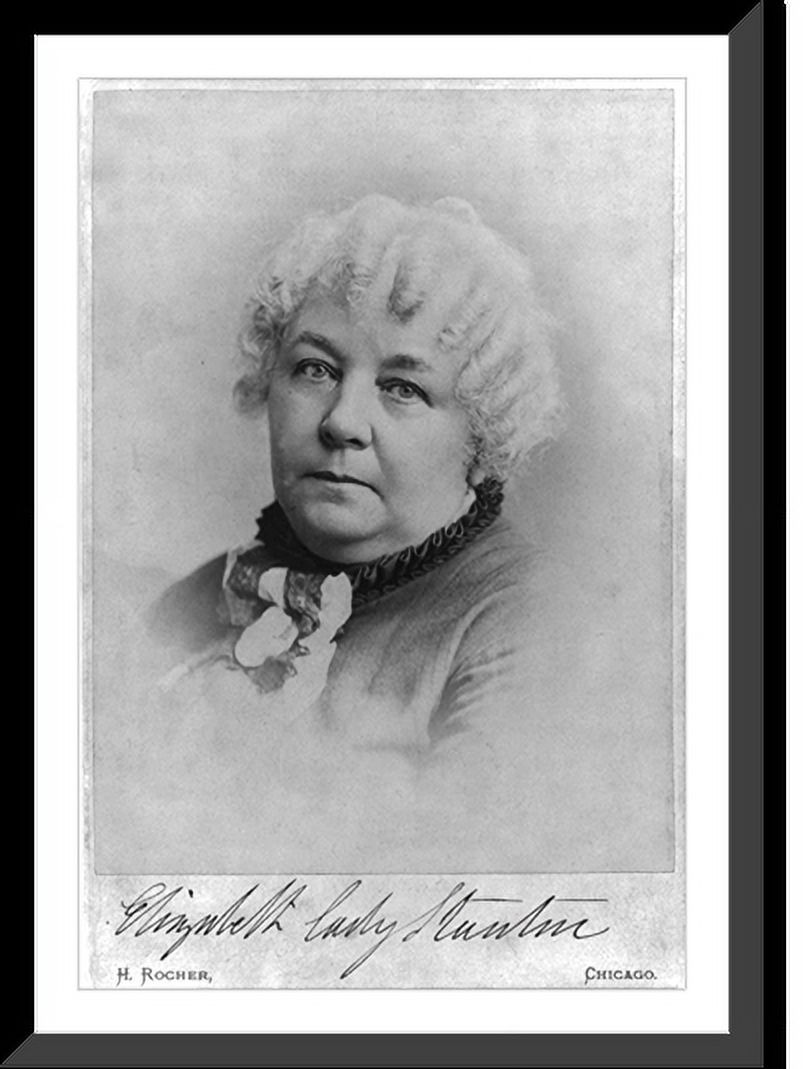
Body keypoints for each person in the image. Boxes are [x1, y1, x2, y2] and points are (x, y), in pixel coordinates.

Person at [95, 195, 659, 874]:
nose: (342, 421)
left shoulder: (529, 626)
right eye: (315, 369)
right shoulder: (220, 589)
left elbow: (471, 880)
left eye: (402, 388)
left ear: (481, 437)